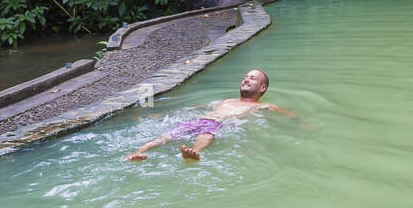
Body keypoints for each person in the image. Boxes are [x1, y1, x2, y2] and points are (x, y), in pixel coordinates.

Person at [124, 69, 296, 162]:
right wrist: (161, 114)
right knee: (167, 136)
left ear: (262, 88)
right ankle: (138, 153)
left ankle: (194, 152)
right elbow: (195, 108)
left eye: (252, 78)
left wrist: (302, 125)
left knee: (207, 134)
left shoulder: (264, 105)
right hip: (197, 120)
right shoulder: (226, 100)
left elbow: (290, 116)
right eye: (245, 77)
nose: (245, 79)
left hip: (217, 125)